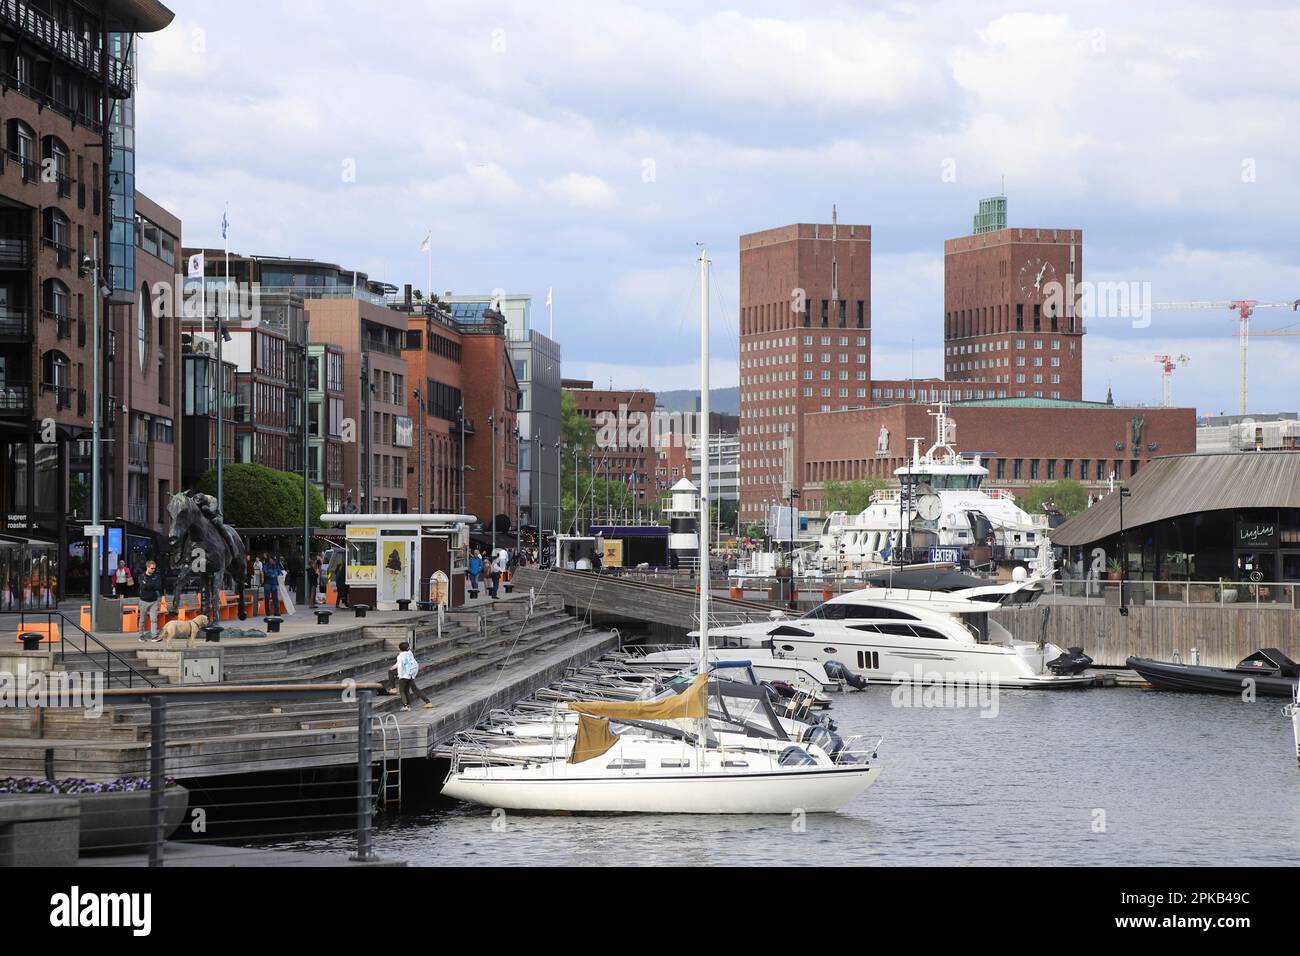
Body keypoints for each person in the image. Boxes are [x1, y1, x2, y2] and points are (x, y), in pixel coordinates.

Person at [389, 641, 432, 712]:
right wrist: (393, 667)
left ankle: (405, 705)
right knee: (413, 689)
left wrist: (400, 676)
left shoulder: (400, 656)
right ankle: (428, 702)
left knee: (402, 691)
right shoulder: (410, 653)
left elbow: (400, 666)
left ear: (400, 649)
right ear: (408, 648)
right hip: (411, 674)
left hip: (405, 675)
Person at [137, 560, 163, 642]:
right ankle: (141, 635)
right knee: (142, 619)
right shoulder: (141, 576)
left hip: (154, 601)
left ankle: (154, 636)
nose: (153, 570)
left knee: (154, 619)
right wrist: (151, 585)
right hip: (144, 600)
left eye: (154, 568)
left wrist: (148, 584)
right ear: (147, 567)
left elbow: (158, 586)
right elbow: (143, 587)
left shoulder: (156, 576)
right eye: (152, 568)